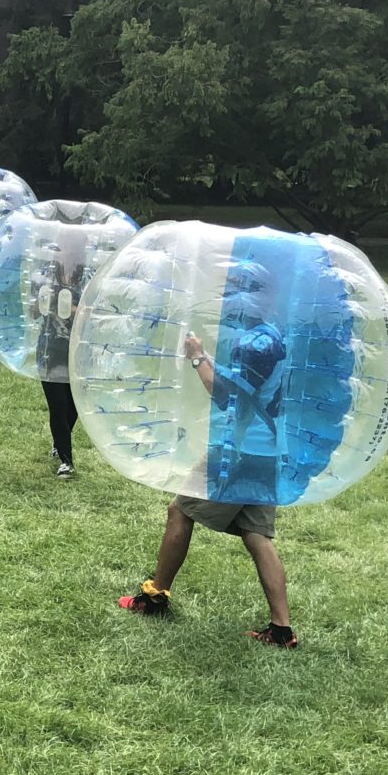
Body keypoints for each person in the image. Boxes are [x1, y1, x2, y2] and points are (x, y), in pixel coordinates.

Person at [118, 265, 297, 648]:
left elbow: (226, 395)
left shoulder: (255, 342)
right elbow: (248, 382)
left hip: (239, 450)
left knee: (179, 511)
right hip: (268, 449)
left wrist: (199, 358)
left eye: (234, 291)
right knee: (257, 534)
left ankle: (154, 597)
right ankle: (282, 630)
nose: (228, 300)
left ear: (252, 296)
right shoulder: (271, 334)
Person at [35, 259, 85, 479]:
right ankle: (66, 460)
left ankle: (59, 442)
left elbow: (94, 313)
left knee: (74, 406)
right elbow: (33, 313)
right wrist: (43, 302)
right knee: (58, 405)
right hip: (50, 348)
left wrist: (70, 308)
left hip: (78, 350)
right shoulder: (45, 275)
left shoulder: (89, 276)